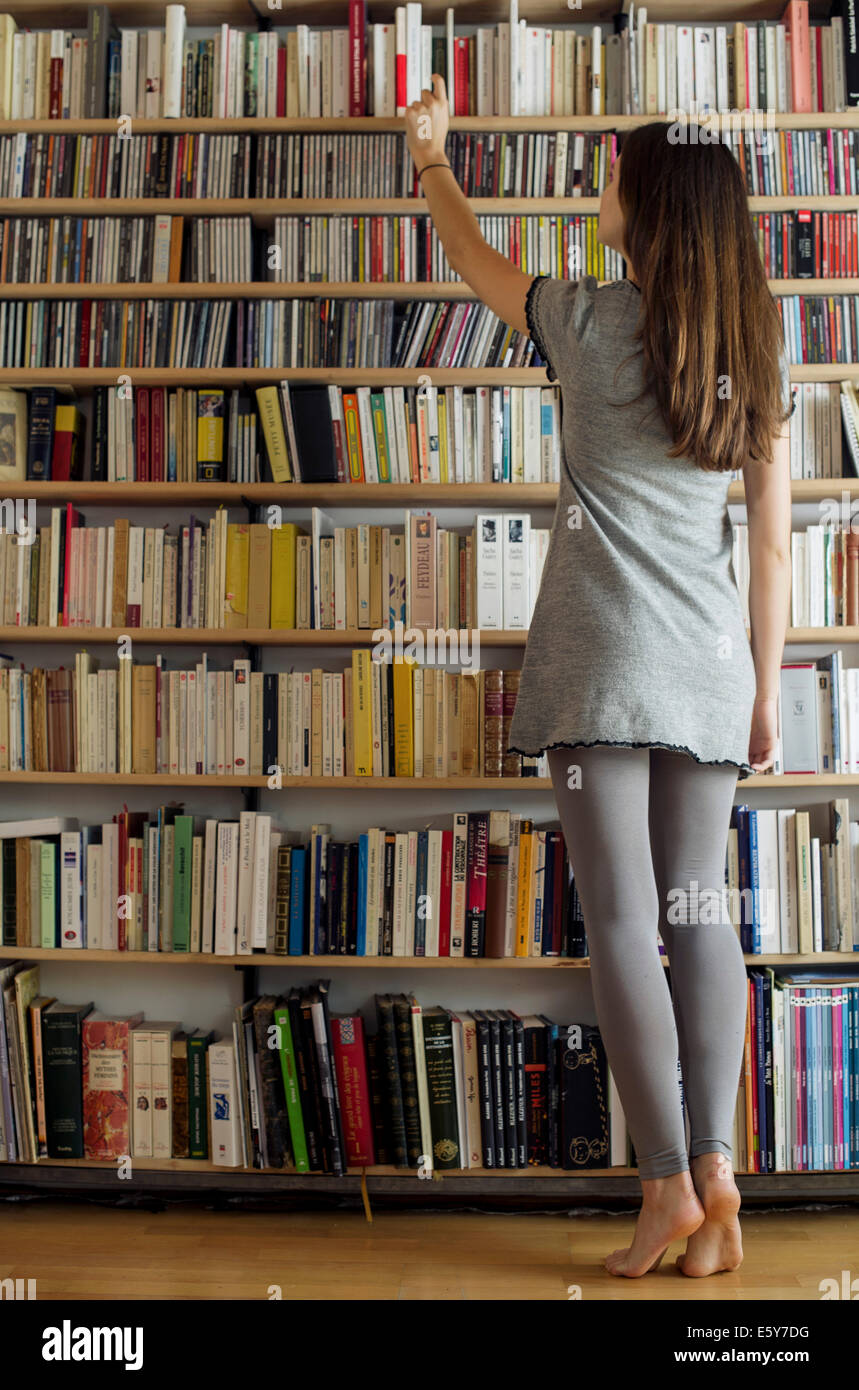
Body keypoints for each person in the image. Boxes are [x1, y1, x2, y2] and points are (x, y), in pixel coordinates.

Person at [404, 79, 793, 1278]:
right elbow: (774, 540)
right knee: (698, 908)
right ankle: (721, 1163)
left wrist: (430, 159)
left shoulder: (582, 319)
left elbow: (470, 255)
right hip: (714, 669)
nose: (598, 191)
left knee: (624, 917)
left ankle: (667, 1182)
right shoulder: (757, 349)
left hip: (602, 661)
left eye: (612, 177)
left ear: (652, 203)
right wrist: (766, 693)